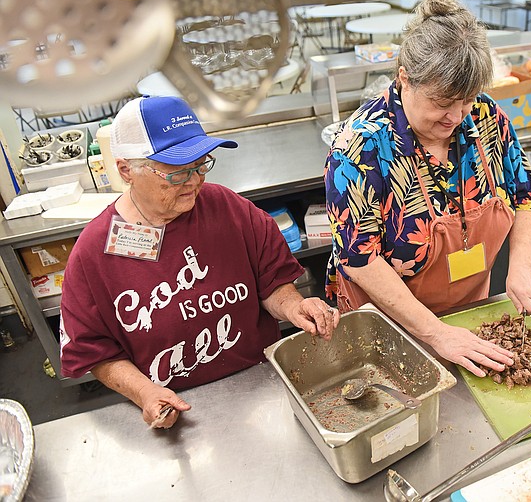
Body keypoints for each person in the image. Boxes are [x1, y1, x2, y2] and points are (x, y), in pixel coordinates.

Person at [60, 95, 339, 428]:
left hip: (263, 385)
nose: (194, 180)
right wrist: (146, 394)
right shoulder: (94, 253)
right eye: (177, 171)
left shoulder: (229, 209)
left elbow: (273, 282)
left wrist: (294, 307)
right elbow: (95, 350)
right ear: (126, 170)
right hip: (178, 408)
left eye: (200, 163)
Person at [324, 0, 531, 378]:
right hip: (387, 325)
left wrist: (521, 267)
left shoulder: (487, 118)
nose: (456, 117)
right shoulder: (359, 148)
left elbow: (523, 194)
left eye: (467, 100)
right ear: (405, 77)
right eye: (444, 101)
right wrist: (436, 333)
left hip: (469, 313)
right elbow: (359, 258)